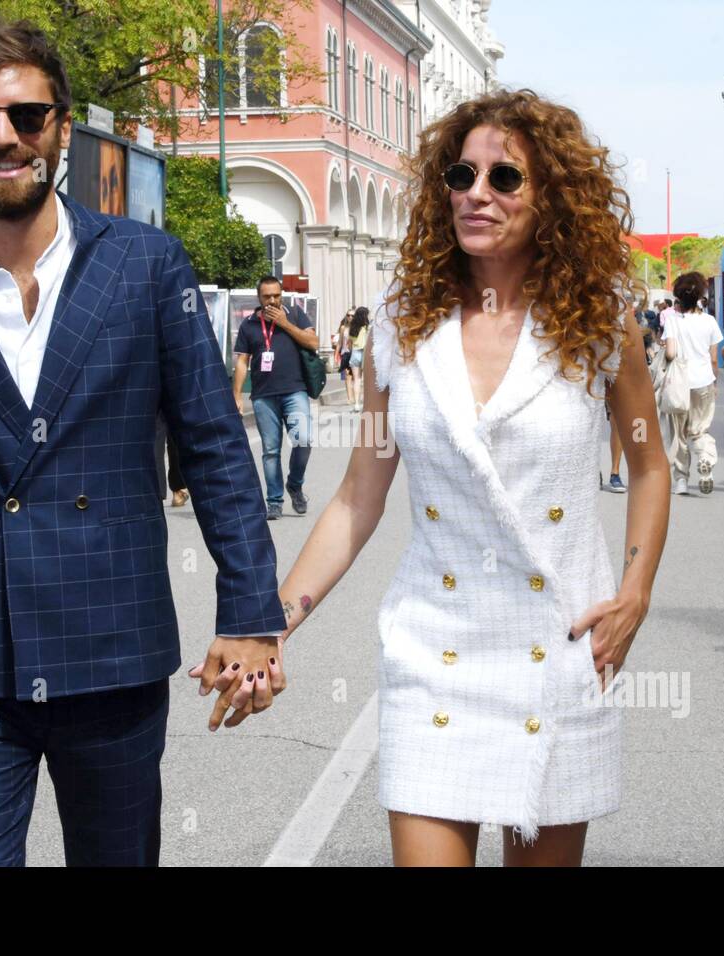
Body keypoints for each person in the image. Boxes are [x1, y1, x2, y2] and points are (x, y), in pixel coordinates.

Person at [0, 18, 286, 866]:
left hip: (111, 647)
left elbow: (215, 448)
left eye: (26, 116)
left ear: (62, 129)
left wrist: (252, 613)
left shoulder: (147, 267)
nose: (3, 136)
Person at [202, 89, 670, 866]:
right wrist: (268, 625)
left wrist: (636, 593)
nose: (476, 193)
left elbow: (649, 464)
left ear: (551, 195)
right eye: (461, 175)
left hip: (559, 648)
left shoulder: (598, 317)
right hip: (435, 654)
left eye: (505, 178)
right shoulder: (402, 316)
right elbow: (359, 495)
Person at [231, 275, 318, 518]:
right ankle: (275, 501)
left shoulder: (295, 314)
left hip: (294, 390)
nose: (272, 300)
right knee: (270, 451)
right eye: (267, 296)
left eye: (277, 295)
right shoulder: (249, 325)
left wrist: (285, 324)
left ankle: (295, 484)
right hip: (263, 395)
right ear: (259, 298)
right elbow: (242, 362)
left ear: (282, 294)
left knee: (303, 439)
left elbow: (313, 342)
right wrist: (236, 395)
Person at [661, 271, 723, 495]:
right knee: (699, 430)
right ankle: (706, 457)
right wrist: (714, 382)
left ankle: (681, 481)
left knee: (678, 434)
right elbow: (714, 357)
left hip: (679, 384)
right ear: (700, 296)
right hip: (703, 381)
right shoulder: (709, 321)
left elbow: (670, 353)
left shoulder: (672, 321)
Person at [347, 306, 370, 412]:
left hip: (355, 352)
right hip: (365, 352)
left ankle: (356, 403)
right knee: (367, 379)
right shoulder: (367, 327)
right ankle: (367, 403)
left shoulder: (352, 327)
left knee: (356, 379)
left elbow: (350, 343)